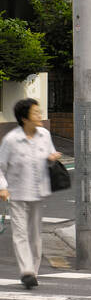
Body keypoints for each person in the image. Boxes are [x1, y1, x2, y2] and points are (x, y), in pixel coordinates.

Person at [0, 98, 63, 289]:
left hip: (38, 192)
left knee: (35, 235)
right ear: (24, 118)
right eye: (35, 112)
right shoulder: (11, 140)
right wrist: (2, 187)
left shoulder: (44, 134)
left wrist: (51, 159)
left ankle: (33, 272)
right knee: (20, 234)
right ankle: (26, 271)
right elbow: (0, 167)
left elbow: (49, 157)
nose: (40, 115)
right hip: (17, 193)